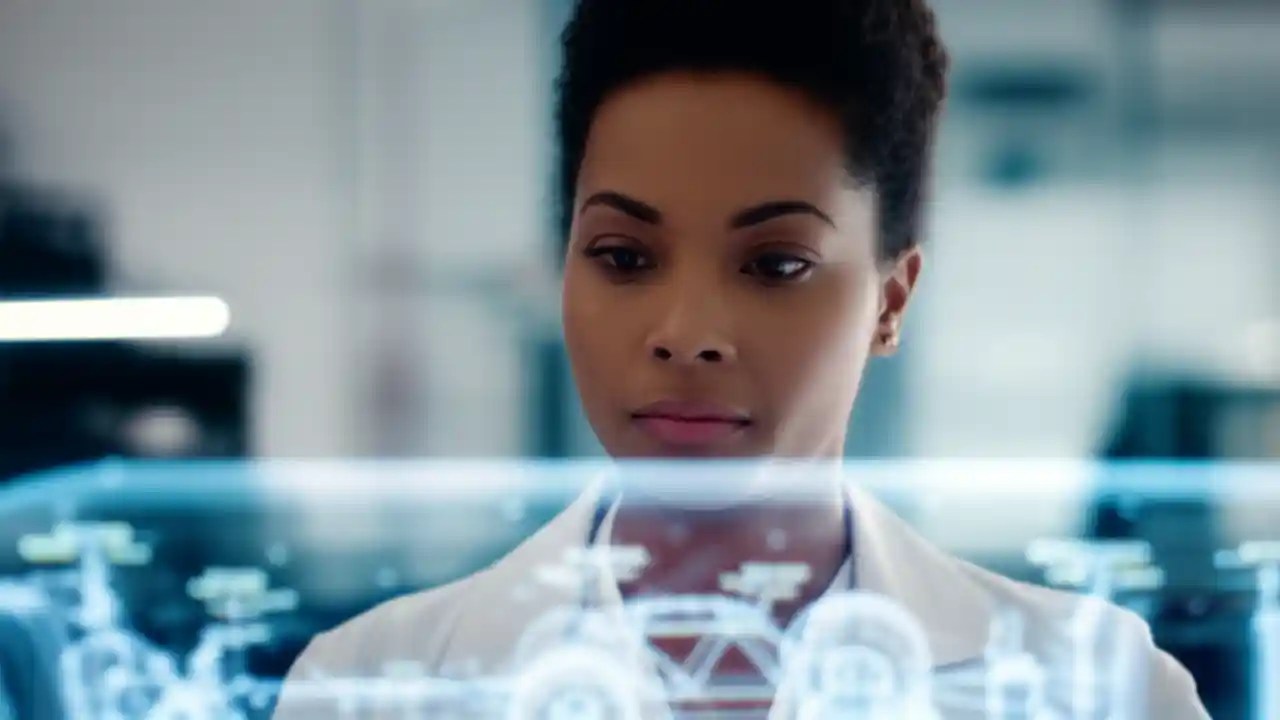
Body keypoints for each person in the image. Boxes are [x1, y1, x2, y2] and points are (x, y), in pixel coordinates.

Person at [274, 0, 1209, 717]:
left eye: (775, 265)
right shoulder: (370, 688)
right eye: (624, 258)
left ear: (890, 298)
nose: (687, 331)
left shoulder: (1097, 687)